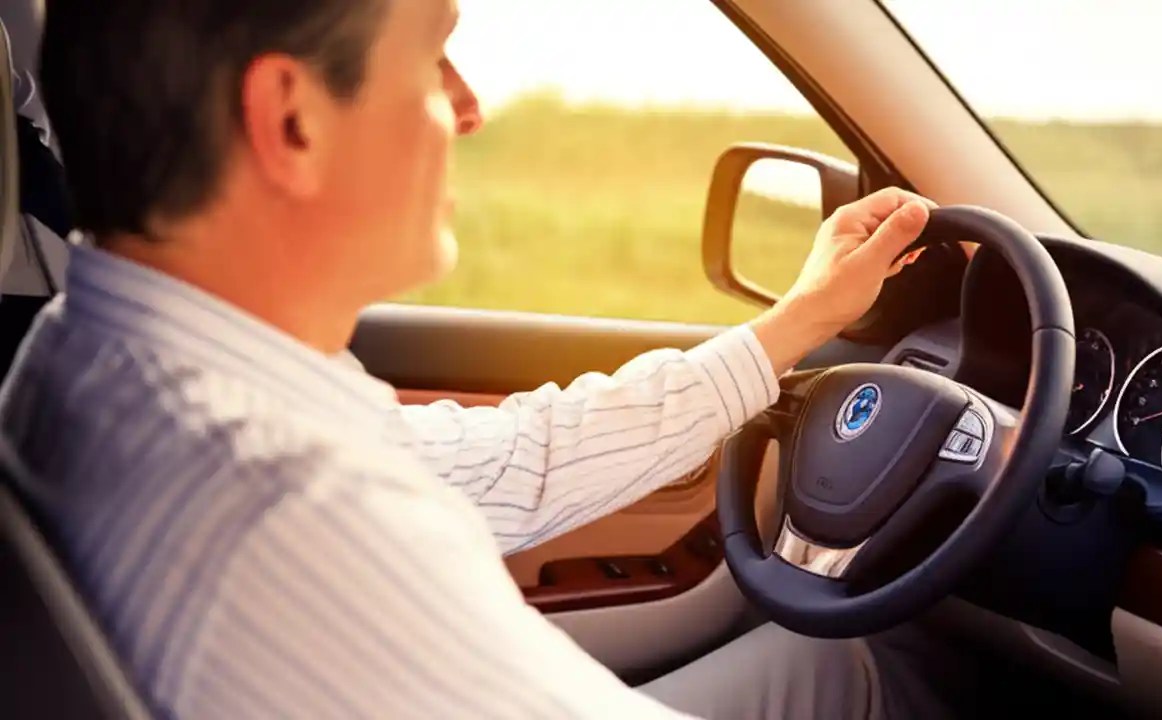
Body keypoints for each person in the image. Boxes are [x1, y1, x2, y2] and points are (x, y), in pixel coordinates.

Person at [0, 0, 956, 717]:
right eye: (433, 57)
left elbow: (513, 460)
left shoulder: (95, 355)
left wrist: (792, 326)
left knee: (837, 667)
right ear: (293, 120)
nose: (468, 108)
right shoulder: (288, 505)